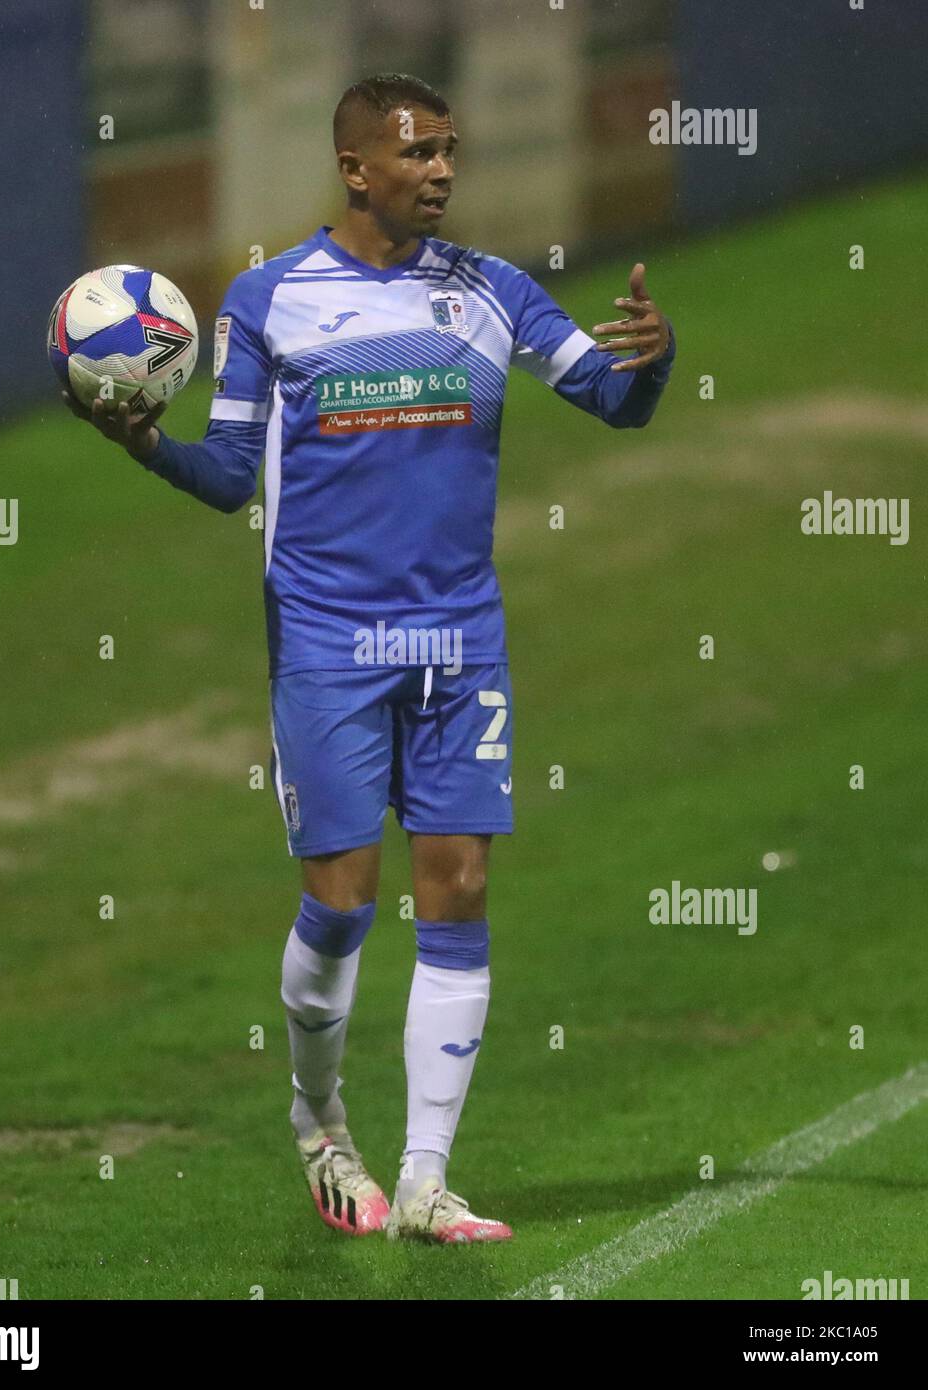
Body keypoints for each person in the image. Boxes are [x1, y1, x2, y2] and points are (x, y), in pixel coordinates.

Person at [62, 72, 675, 1244]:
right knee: (339, 908)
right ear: (356, 169)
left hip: (460, 642)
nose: (442, 170)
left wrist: (650, 359)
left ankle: (429, 1177)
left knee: (460, 889)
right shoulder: (268, 298)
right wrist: (141, 445)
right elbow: (231, 475)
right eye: (419, 154)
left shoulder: (492, 291)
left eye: (450, 150)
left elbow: (612, 401)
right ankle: (318, 1123)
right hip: (330, 647)